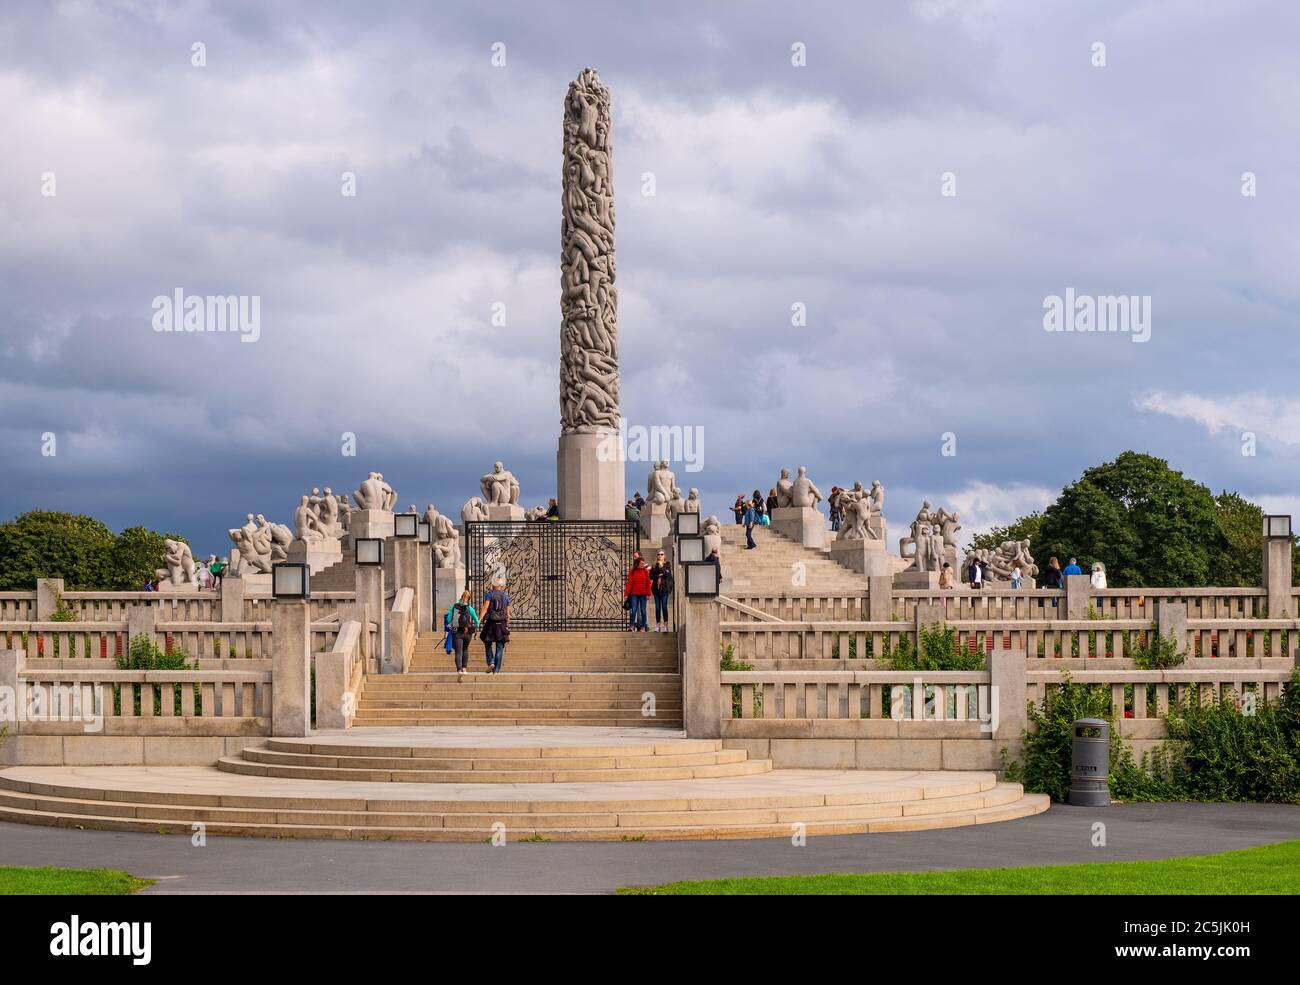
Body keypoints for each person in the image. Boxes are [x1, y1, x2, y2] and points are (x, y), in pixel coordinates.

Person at [445, 590, 481, 681]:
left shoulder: (454, 606)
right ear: (469, 598)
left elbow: (449, 619)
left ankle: (459, 670)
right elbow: (477, 622)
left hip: (457, 632)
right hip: (467, 633)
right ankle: (464, 669)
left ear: (461, 596)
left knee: (458, 652)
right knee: (465, 649)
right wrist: (475, 626)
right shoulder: (470, 609)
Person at [480, 578, 511, 674]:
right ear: (501, 586)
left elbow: (485, 607)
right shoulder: (505, 597)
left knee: (487, 642)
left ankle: (490, 661)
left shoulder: (489, 594)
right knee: (500, 646)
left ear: (493, 585)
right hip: (501, 623)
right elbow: (508, 614)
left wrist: (479, 619)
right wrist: (507, 624)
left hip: (490, 622)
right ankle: (496, 670)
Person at [624, 552, 652, 632]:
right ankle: (632, 626)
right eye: (642, 563)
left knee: (643, 610)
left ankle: (643, 626)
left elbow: (648, 583)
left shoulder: (646, 571)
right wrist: (626, 594)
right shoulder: (632, 571)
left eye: (643, 563)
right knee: (633, 610)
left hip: (643, 594)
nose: (643, 564)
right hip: (634, 594)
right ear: (638, 563)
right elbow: (629, 583)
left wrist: (648, 594)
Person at [648, 549, 673, 632]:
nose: (660, 556)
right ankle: (658, 625)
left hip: (664, 589)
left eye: (662, 554)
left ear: (664, 556)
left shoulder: (667, 564)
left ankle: (665, 625)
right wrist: (659, 574)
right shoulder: (654, 564)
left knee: (664, 607)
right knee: (657, 608)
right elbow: (651, 576)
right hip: (656, 589)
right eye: (658, 554)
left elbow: (667, 575)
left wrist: (662, 567)